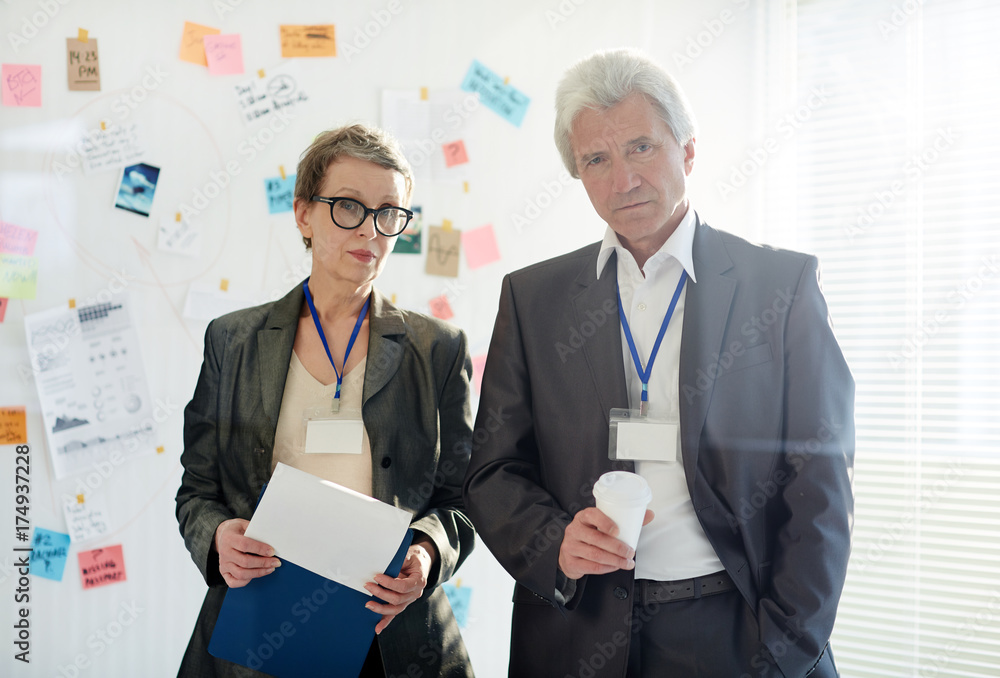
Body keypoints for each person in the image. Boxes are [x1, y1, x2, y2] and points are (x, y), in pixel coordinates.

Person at [464, 48, 854, 678]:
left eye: (641, 147)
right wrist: (554, 542)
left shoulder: (780, 287)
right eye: (596, 160)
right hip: (574, 631)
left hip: (734, 632)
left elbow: (822, 480)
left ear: (688, 151)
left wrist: (784, 650)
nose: (623, 180)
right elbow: (492, 469)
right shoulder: (532, 298)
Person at [176, 123, 476, 678]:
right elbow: (197, 489)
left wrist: (427, 553)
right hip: (262, 624)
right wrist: (218, 538)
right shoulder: (233, 340)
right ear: (303, 214)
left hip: (392, 632)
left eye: (388, 212)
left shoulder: (438, 349)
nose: (369, 229)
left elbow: (462, 499)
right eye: (348, 206)